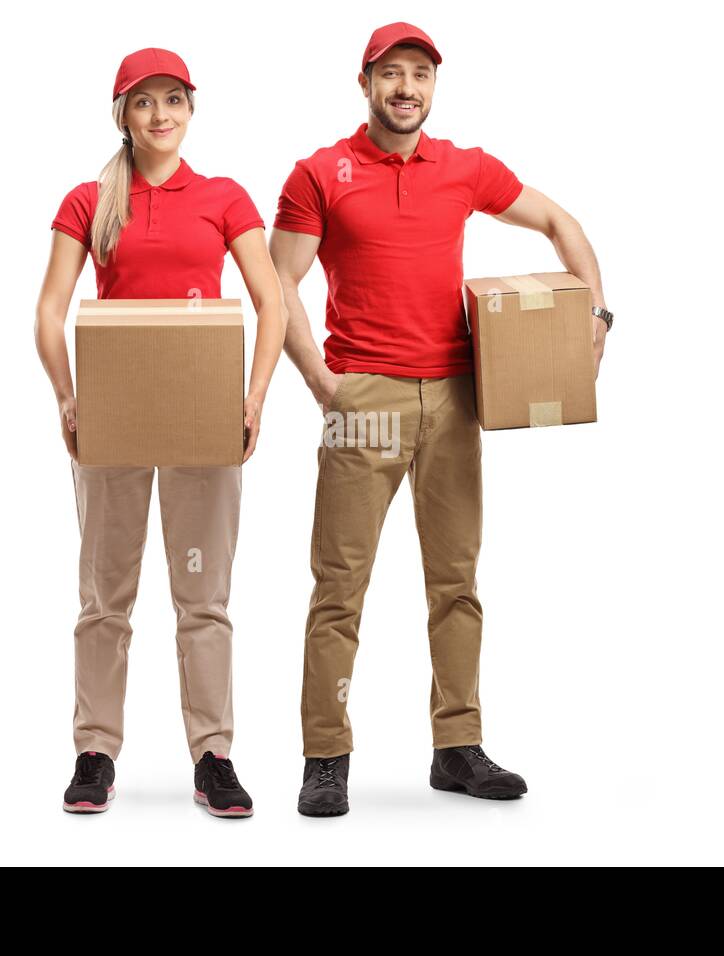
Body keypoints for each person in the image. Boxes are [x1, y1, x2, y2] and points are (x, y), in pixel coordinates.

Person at [271, 23, 613, 816]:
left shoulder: (465, 168)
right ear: (365, 84)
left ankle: (457, 748)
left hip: (456, 399)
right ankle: (326, 756)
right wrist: (325, 382)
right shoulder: (321, 172)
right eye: (391, 74)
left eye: (420, 75)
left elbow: (561, 222)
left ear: (433, 87)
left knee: (456, 584)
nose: (406, 89)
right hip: (366, 401)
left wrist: (594, 310)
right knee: (339, 587)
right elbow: (278, 281)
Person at [34, 48, 285, 819]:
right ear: (123, 115)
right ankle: (94, 751)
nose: (160, 114)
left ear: (191, 107)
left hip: (201, 415)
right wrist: (69, 399)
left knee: (203, 597)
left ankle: (213, 754)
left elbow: (270, 303)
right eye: (143, 102)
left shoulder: (223, 196)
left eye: (173, 98)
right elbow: (49, 311)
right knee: (104, 600)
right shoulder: (89, 199)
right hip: (113, 417)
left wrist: (253, 398)